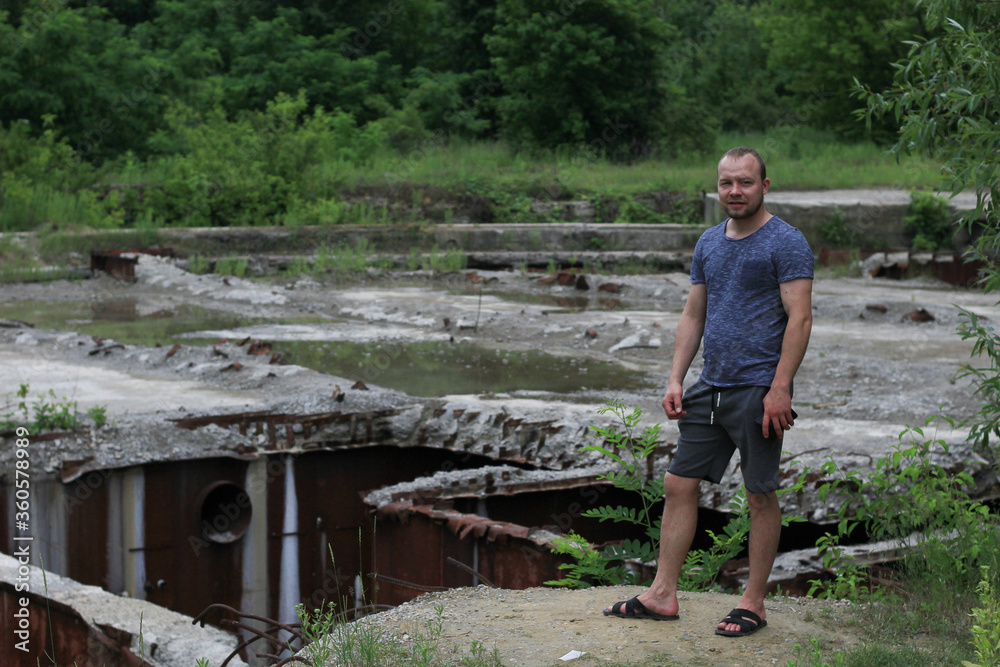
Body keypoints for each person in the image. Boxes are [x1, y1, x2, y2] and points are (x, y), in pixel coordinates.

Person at [603, 147, 814, 637]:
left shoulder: (786, 241)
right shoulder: (709, 243)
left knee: (760, 495)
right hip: (711, 385)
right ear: (716, 187)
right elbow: (693, 314)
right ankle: (661, 594)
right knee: (679, 484)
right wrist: (677, 377)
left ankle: (753, 602)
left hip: (758, 389)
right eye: (726, 183)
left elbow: (800, 318)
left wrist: (780, 387)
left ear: (765, 185)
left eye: (744, 182)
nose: (734, 192)